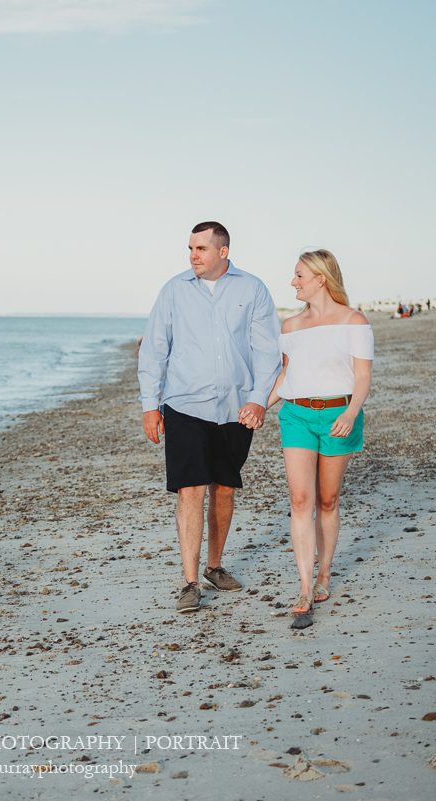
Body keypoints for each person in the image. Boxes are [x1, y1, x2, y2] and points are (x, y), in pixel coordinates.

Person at [138, 221, 282, 613]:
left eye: (200, 248)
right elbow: (154, 350)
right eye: (190, 248)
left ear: (223, 251)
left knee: (223, 489)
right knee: (191, 489)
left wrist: (257, 400)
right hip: (184, 404)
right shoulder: (173, 291)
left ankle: (214, 566)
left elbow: (267, 351)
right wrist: (150, 404)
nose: (193, 256)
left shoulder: (252, 289)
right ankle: (189, 582)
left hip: (236, 408)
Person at [265, 249, 373, 629]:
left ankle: (325, 574)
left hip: (339, 415)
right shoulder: (290, 327)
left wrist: (349, 412)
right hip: (295, 414)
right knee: (300, 499)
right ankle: (305, 588)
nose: (293, 282)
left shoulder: (354, 322)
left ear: (319, 279)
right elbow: (286, 376)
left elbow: (362, 379)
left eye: (298, 275)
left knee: (327, 499)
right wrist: (260, 406)